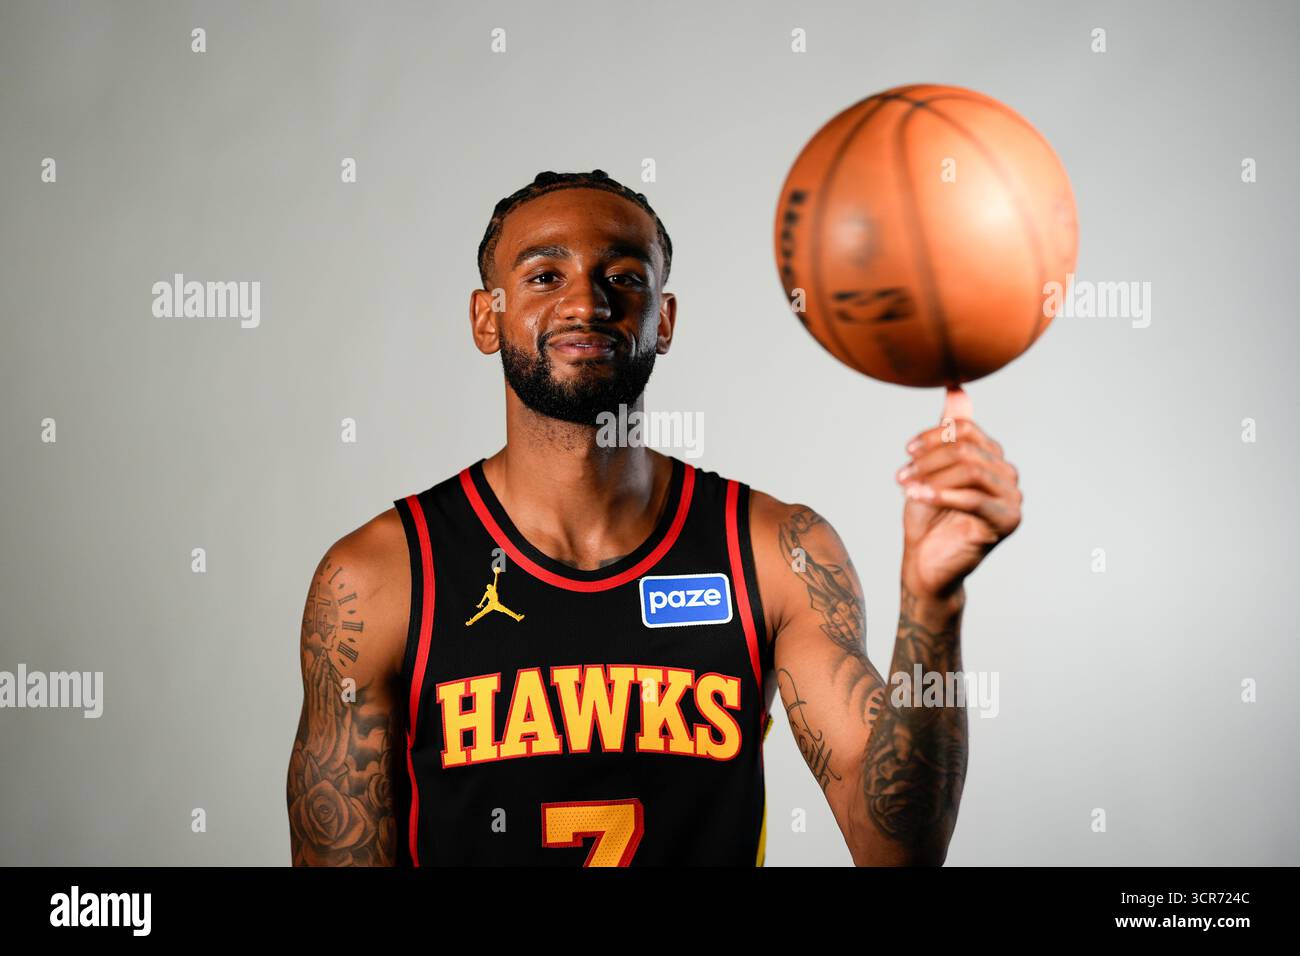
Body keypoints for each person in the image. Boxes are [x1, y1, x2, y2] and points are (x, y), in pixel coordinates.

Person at [286, 170, 1022, 866]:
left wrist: (934, 601)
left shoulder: (773, 552)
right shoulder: (380, 577)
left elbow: (896, 851)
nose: (586, 303)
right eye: (545, 276)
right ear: (487, 317)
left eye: (624, 278)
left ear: (663, 320)